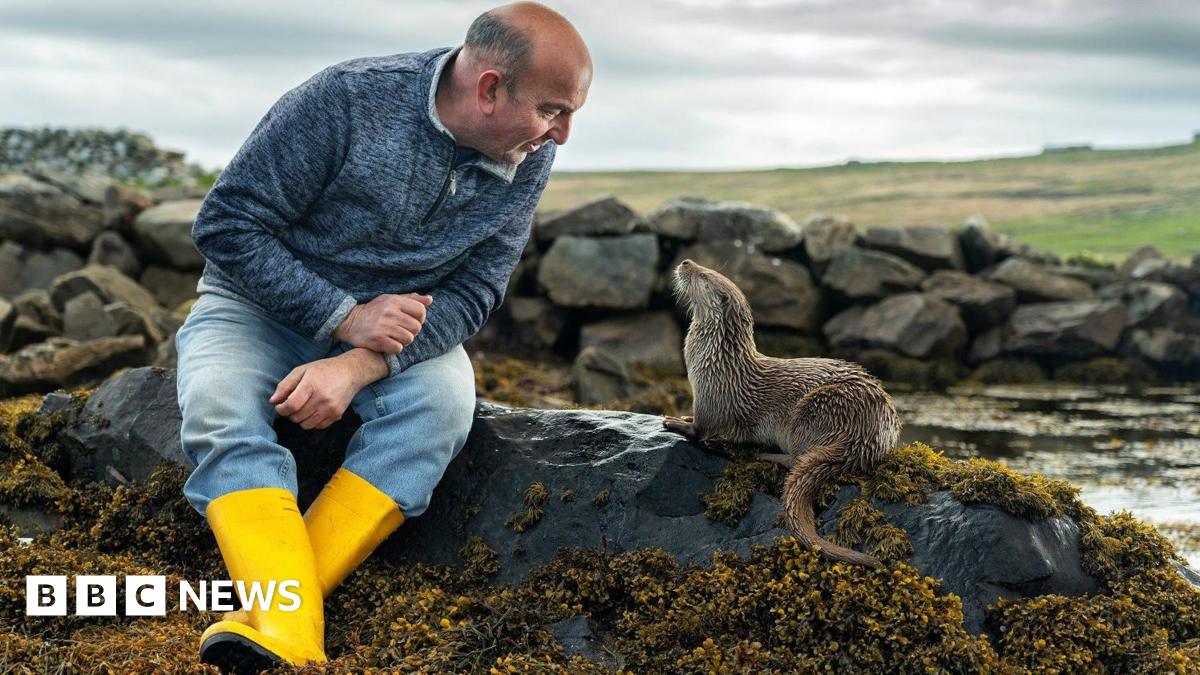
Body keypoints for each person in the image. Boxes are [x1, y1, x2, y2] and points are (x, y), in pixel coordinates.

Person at [173, 2, 592, 669]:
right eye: (552, 110)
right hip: (253, 309)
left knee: (443, 408)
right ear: (489, 89)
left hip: (393, 337)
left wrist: (361, 362)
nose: (562, 134)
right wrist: (344, 316)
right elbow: (225, 226)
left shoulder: (526, 153)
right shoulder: (344, 100)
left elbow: (478, 291)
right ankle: (296, 628)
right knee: (220, 407)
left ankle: (281, 622)